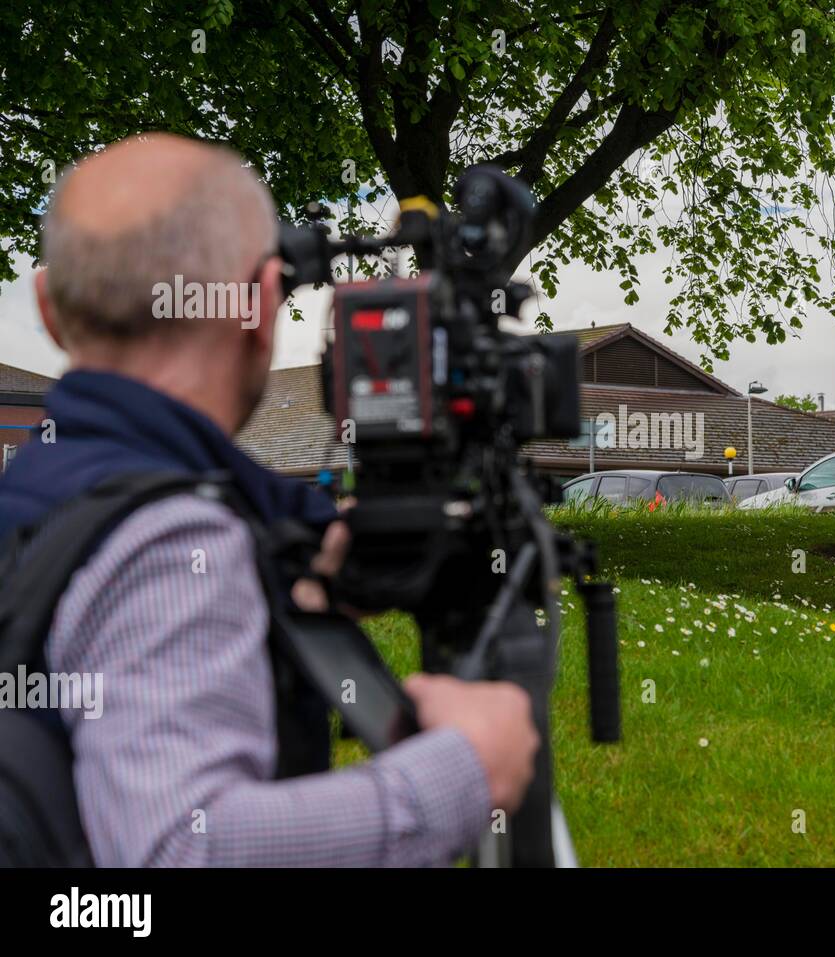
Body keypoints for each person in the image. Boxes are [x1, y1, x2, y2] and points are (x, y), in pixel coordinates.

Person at [0, 134, 538, 866]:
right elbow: (181, 850)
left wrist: (281, 564)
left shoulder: (36, 493)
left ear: (48, 309)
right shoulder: (170, 539)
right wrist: (465, 771)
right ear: (257, 304)